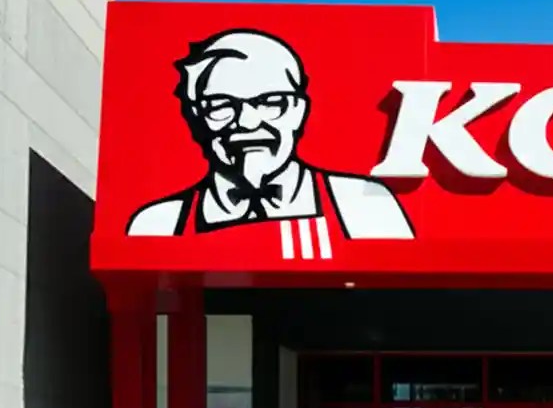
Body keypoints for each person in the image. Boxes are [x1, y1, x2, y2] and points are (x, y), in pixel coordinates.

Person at [127, 29, 414, 251]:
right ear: (195, 117)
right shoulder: (159, 224)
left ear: (299, 111)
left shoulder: (362, 205)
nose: (248, 122)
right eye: (220, 105)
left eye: (271, 102)